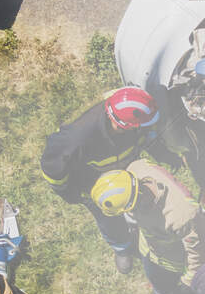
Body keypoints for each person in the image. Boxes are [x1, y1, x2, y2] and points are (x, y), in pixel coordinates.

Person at [39, 86, 166, 275]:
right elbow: (52, 168)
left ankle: (142, 229)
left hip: (128, 168)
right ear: (122, 126)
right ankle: (122, 248)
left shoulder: (131, 115)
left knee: (143, 201)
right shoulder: (77, 138)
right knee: (108, 218)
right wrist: (73, 194)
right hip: (95, 184)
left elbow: (147, 134)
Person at [90, 163, 205, 294]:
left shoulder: (183, 216)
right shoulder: (135, 169)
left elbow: (199, 251)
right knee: (157, 279)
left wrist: (189, 280)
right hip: (149, 250)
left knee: (201, 288)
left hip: (177, 260)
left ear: (137, 199)